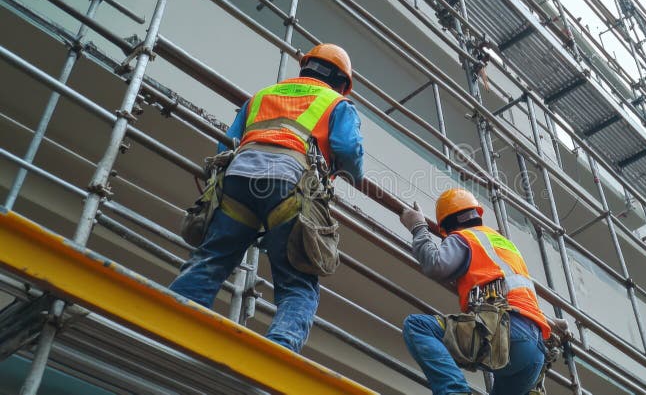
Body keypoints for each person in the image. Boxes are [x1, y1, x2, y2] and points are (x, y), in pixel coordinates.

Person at [170, 44, 364, 353]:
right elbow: (349, 151)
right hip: (290, 185)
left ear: (305, 69)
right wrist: (341, 170)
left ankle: (173, 322)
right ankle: (278, 352)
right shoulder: (338, 103)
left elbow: (225, 147)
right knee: (298, 284)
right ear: (342, 83)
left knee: (212, 260)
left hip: (238, 180)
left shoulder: (261, 97)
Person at [399, 188, 549, 395]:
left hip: (506, 332)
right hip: (535, 350)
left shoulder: (463, 237)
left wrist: (418, 227)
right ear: (476, 214)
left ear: (447, 225)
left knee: (418, 326)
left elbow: (437, 265)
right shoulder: (505, 246)